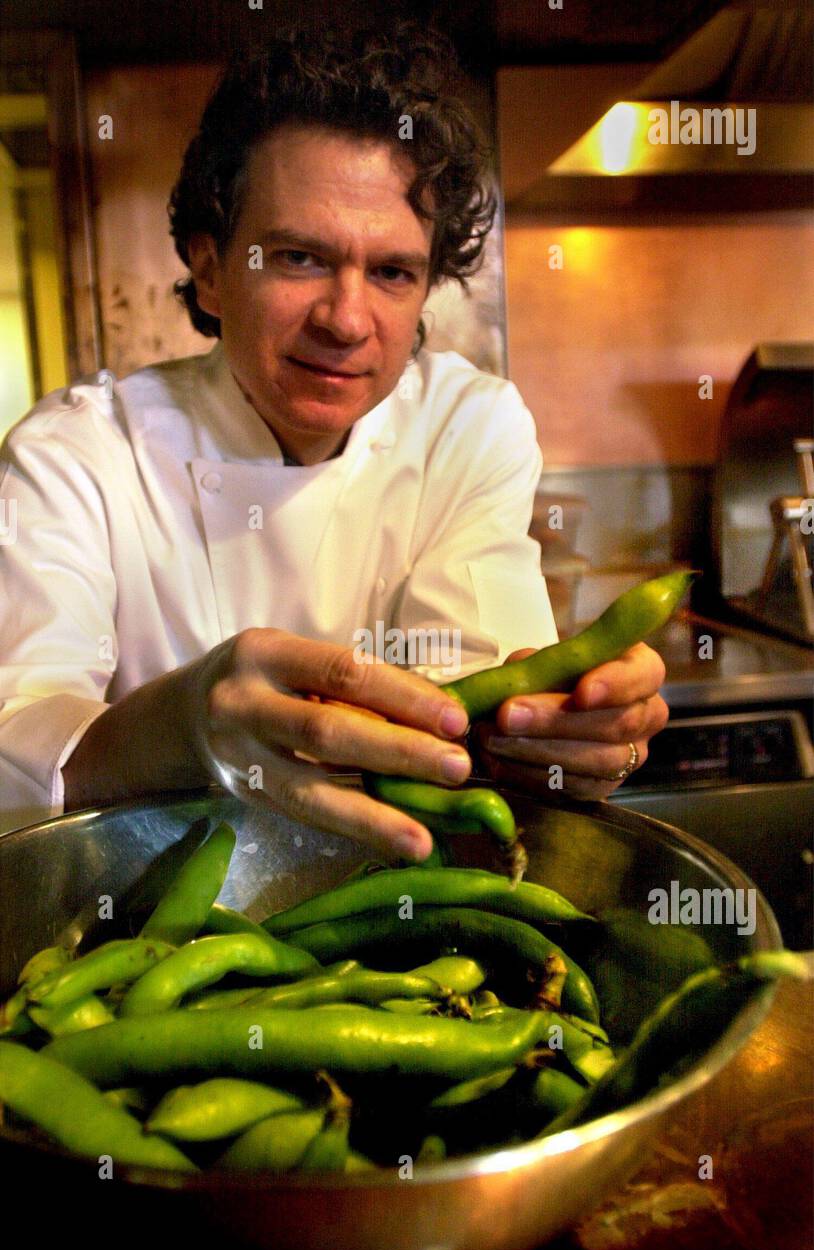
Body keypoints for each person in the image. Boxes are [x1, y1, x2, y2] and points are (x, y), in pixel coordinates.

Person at [0, 26, 667, 851]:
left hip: (405, 914)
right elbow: (18, 737)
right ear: (210, 270)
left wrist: (560, 736)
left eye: (392, 272)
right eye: (298, 257)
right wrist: (178, 725)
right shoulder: (78, 456)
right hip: (142, 915)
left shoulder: (467, 427)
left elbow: (472, 705)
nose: (347, 320)